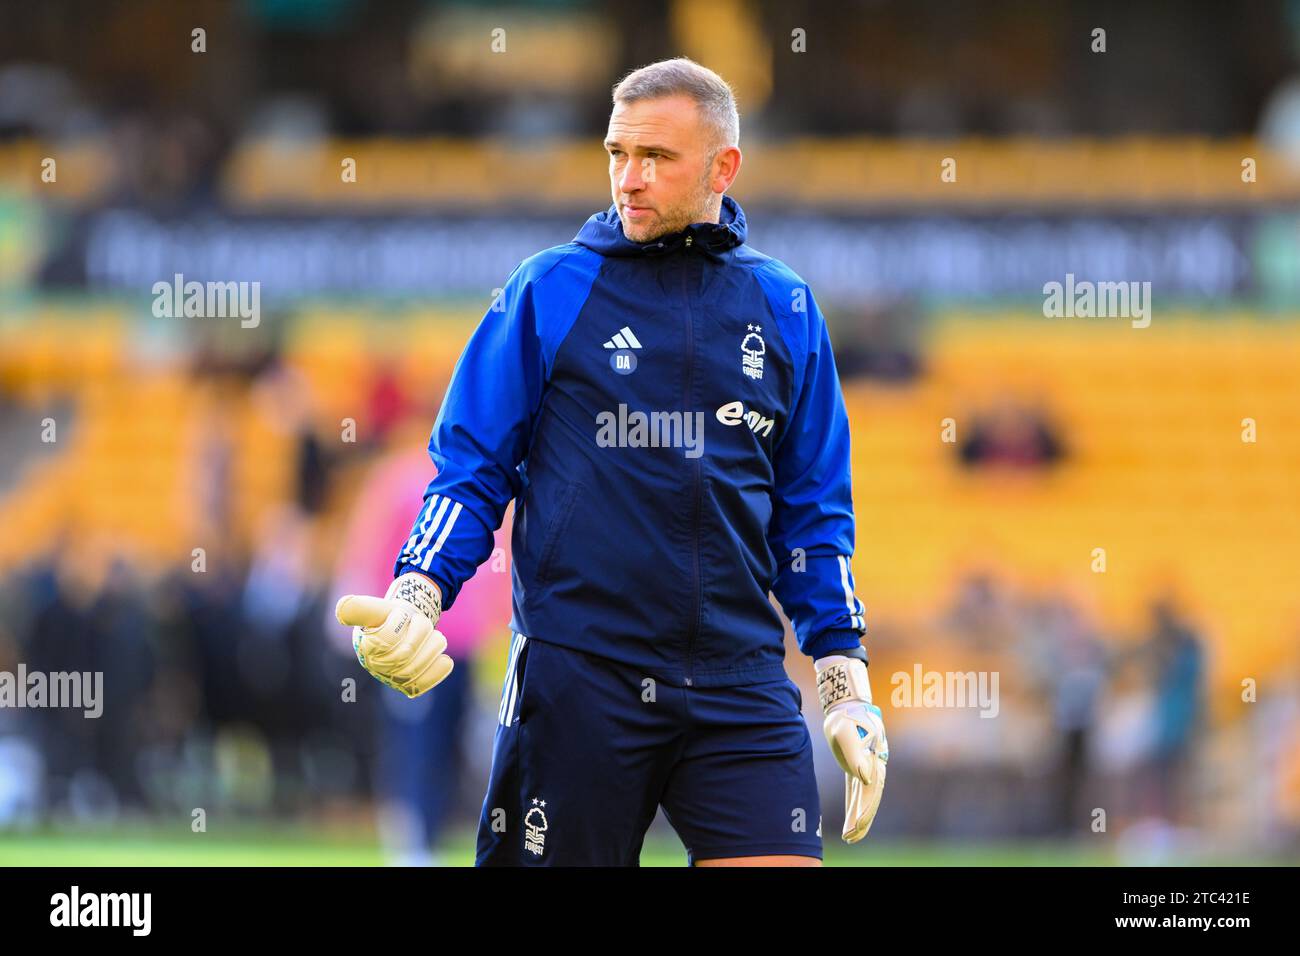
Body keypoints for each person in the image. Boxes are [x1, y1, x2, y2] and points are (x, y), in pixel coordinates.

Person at [335, 57, 887, 866]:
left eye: (656, 158)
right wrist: (419, 593)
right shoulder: (548, 289)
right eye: (616, 153)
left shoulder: (787, 307)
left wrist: (843, 677)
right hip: (580, 679)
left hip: (739, 680)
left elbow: (812, 515)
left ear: (722, 167)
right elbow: (472, 470)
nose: (629, 178)